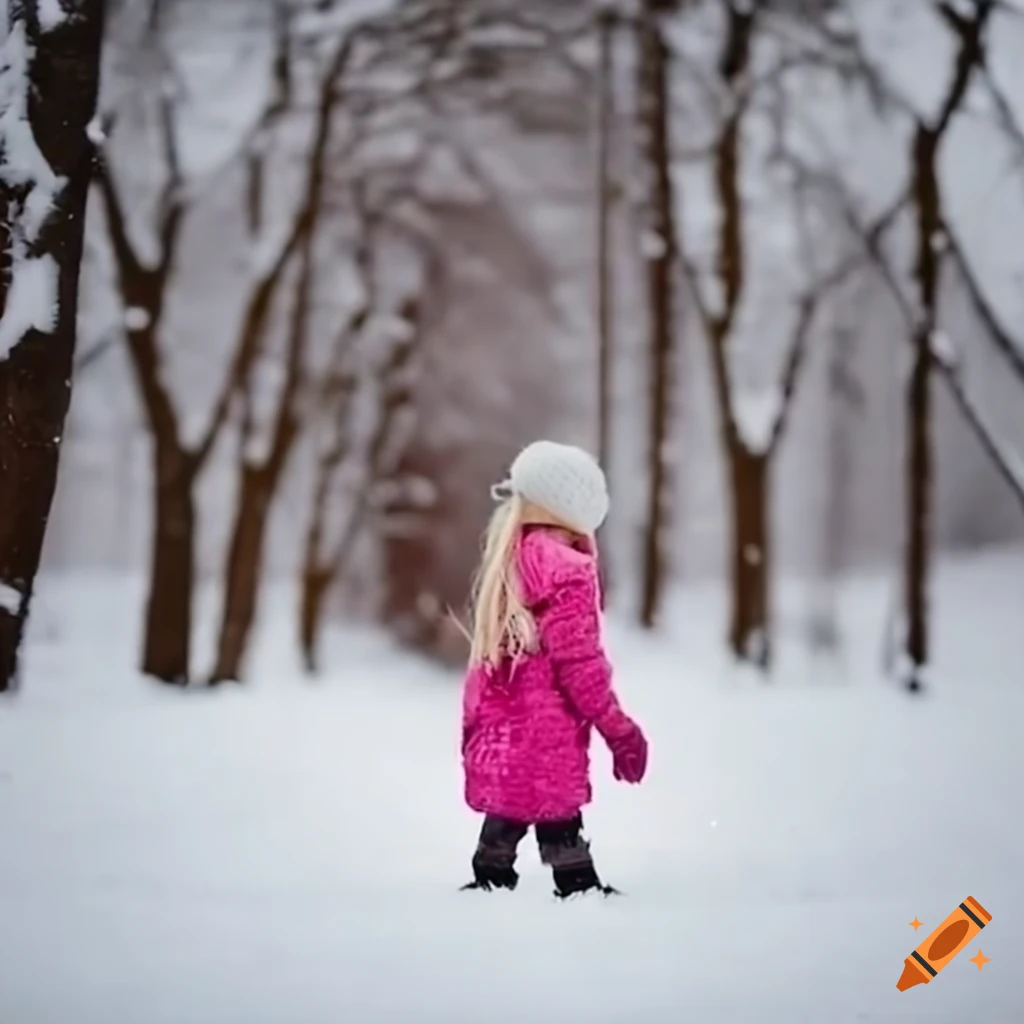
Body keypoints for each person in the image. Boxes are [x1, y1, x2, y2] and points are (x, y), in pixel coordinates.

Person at [459, 440, 649, 898]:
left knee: (510, 804)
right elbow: (580, 666)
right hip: (549, 736)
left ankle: (491, 876)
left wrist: (472, 727)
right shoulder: (569, 573)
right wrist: (617, 729)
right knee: (557, 810)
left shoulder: (509, 561)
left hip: (504, 734)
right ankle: (577, 886)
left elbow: (481, 672)